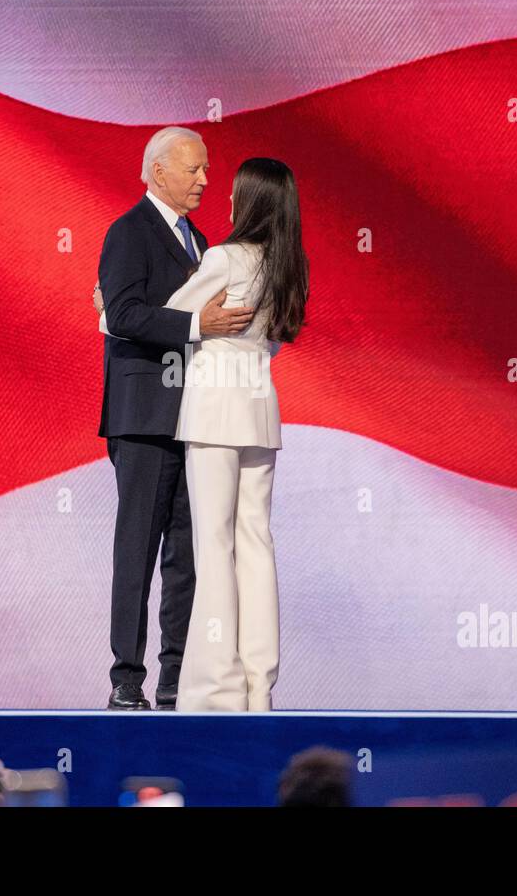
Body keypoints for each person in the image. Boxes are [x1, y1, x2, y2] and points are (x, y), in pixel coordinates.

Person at [105, 157, 309, 711]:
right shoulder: (290, 264)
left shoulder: (221, 256)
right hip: (261, 412)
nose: (211, 188)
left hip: (215, 413)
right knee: (257, 544)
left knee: (213, 546)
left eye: (231, 189)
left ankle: (214, 683)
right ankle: (258, 683)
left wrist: (107, 308)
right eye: (196, 171)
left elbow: (166, 314)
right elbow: (277, 336)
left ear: (250, 202)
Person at [96, 127, 253, 711]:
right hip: (143, 416)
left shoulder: (201, 241)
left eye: (207, 170)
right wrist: (195, 326)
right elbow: (124, 313)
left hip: (197, 416)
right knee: (137, 547)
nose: (206, 180)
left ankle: (174, 675)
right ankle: (126, 678)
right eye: (195, 170)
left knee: (186, 552)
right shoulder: (128, 232)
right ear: (159, 171)